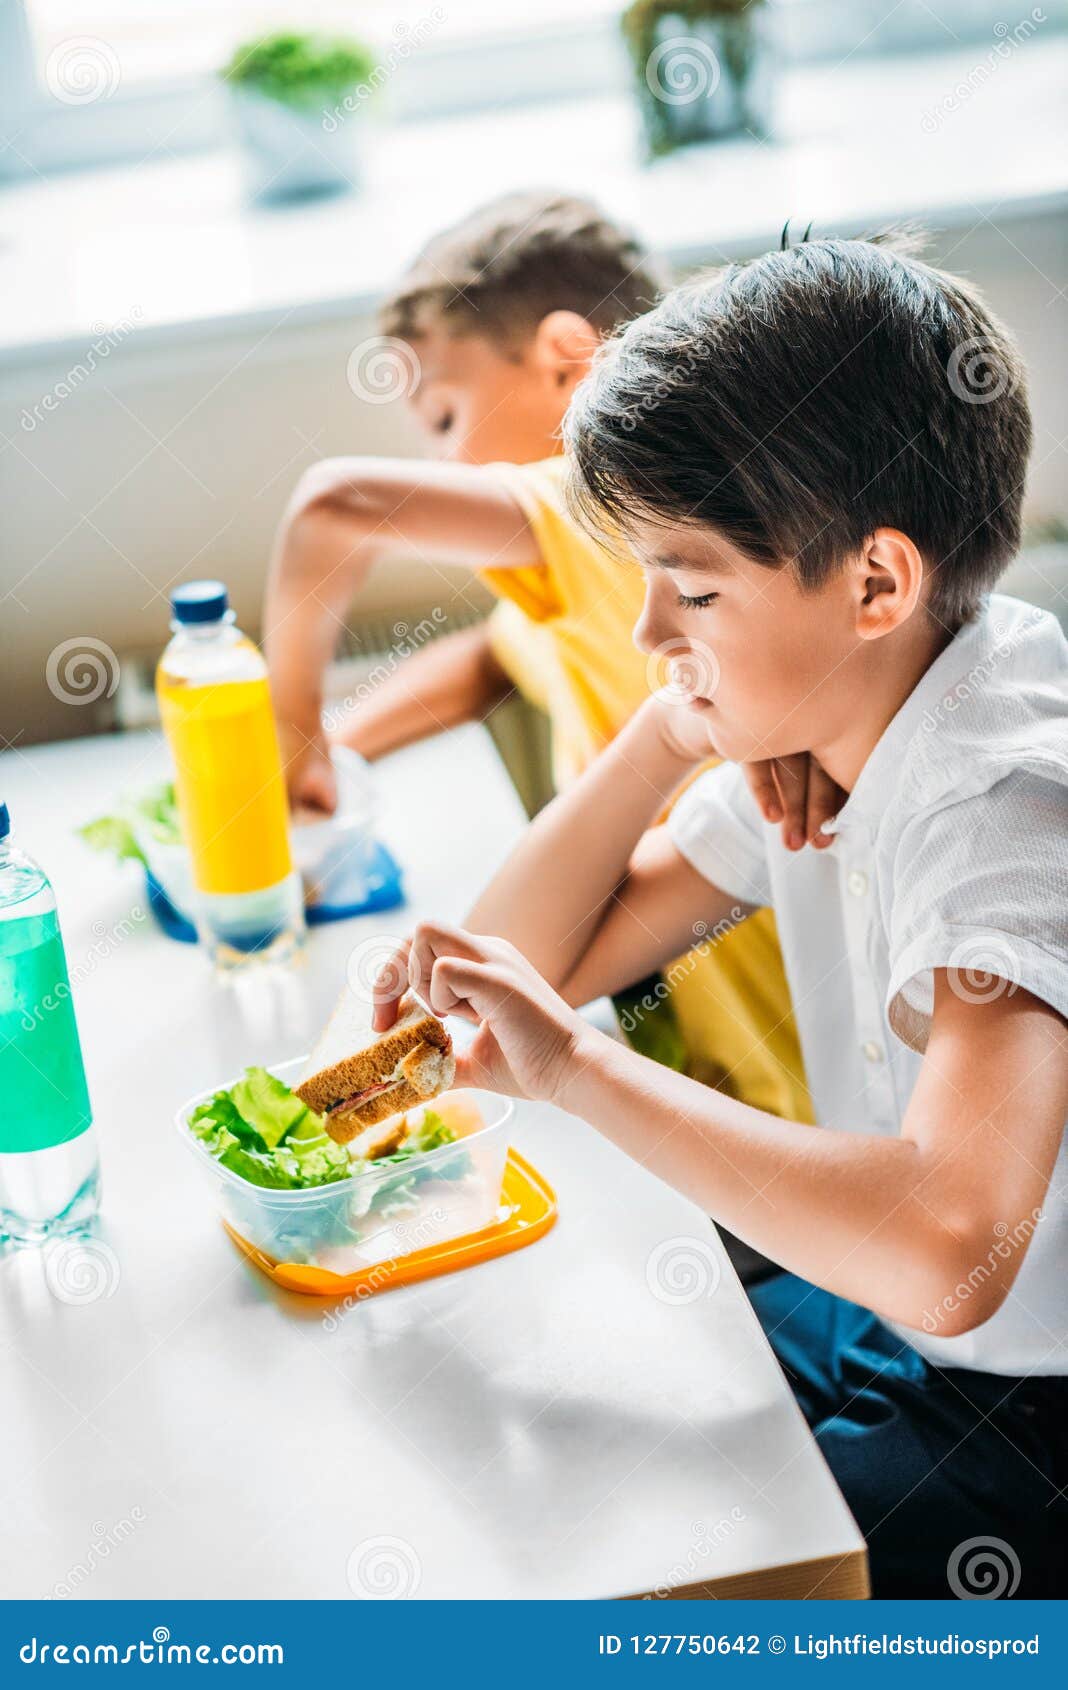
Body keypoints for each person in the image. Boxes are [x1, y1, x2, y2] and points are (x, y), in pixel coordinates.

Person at [370, 232, 1068, 1597]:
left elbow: (953, 1251)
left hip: (1023, 1414)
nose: (645, 630)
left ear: (877, 582)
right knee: (556, 1396)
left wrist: (576, 1067)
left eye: (689, 590)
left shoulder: (999, 810)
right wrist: (666, 732)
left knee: (632, 1575)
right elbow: (511, 964)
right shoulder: (835, 704)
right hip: (901, 1333)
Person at [265, 190, 821, 1127]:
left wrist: (284, 744)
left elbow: (333, 507)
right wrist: (340, 747)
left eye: (444, 418)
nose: (446, 465)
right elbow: (493, 657)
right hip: (682, 1014)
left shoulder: (595, 499)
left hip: (783, 1058)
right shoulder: (607, 567)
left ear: (571, 362)